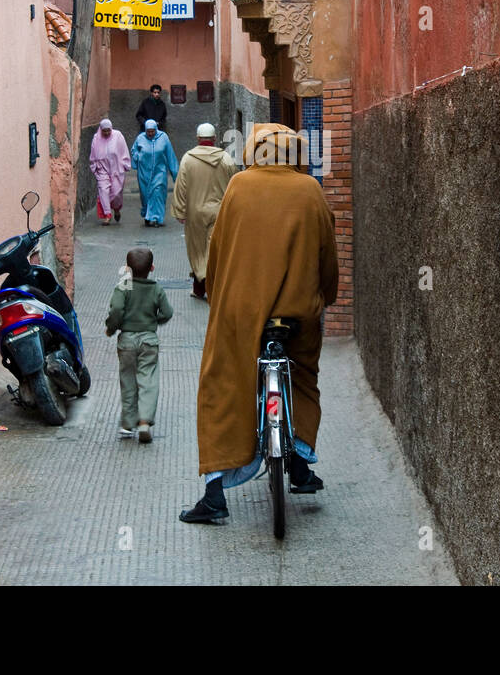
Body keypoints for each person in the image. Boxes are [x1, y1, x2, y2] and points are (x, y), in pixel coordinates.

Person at [179, 124, 339, 525]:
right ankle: (300, 465)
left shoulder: (239, 187)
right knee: (302, 377)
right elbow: (328, 256)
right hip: (299, 313)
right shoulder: (310, 191)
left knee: (222, 385)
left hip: (241, 311)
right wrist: (325, 298)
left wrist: (218, 296)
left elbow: (217, 250)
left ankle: (214, 495)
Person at [105, 248, 173, 443]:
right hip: (149, 341)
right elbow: (167, 312)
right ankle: (144, 421)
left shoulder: (123, 287)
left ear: (127, 268)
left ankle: (127, 424)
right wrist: (154, 321)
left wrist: (111, 328)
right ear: (152, 268)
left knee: (128, 380)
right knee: (148, 380)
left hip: (126, 341)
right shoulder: (156, 289)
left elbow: (116, 310)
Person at [170, 122, 240, 300]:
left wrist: (180, 210)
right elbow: (236, 186)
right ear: (215, 139)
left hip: (195, 213)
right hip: (220, 212)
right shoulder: (226, 159)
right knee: (216, 249)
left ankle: (200, 287)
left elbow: (181, 187)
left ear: (198, 138)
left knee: (197, 250)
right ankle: (214, 286)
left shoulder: (188, 159)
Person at [131, 119, 178, 227]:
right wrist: (137, 157)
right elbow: (134, 150)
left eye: (153, 131)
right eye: (149, 131)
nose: (151, 133)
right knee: (145, 196)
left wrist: (175, 173)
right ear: (146, 130)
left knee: (158, 193)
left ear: (156, 129)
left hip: (159, 172)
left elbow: (170, 155)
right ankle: (147, 215)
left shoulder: (163, 137)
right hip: (144, 173)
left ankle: (156, 218)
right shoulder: (140, 138)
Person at [89, 118, 131, 226]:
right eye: (104, 131)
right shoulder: (96, 138)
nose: (107, 133)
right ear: (101, 130)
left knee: (116, 193)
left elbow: (124, 150)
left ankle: (116, 209)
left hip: (116, 168)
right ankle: (107, 215)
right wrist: (94, 166)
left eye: (108, 130)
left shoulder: (118, 136)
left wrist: (125, 164)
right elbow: (93, 154)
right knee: (103, 191)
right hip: (102, 169)